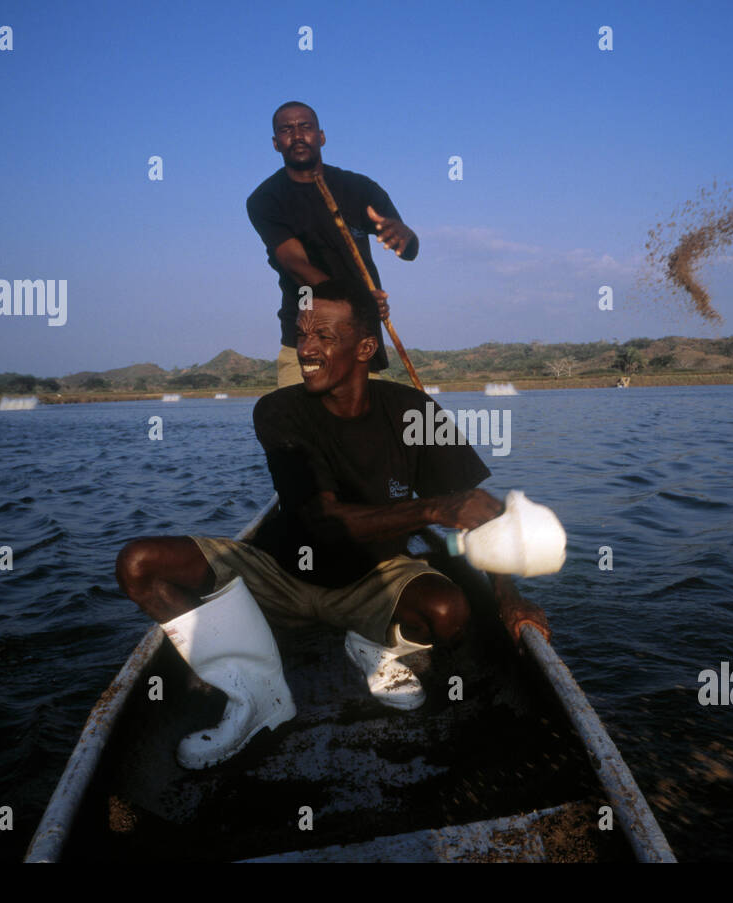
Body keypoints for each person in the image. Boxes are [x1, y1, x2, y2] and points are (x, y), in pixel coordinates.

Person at [114, 281, 549, 769]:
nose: (306, 348)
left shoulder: (416, 412)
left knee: (450, 613)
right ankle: (256, 691)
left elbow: (480, 521)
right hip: (277, 574)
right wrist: (431, 510)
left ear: (365, 348)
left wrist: (509, 599)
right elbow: (324, 521)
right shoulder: (279, 411)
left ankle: (373, 644)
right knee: (139, 564)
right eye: (302, 334)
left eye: (323, 335)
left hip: (374, 578)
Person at [247, 101, 419, 388]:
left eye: (306, 127)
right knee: (301, 430)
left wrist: (408, 236)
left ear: (321, 136)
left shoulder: (360, 188)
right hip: (305, 341)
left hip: (360, 343)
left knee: (364, 432)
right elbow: (296, 264)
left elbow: (409, 251)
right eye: (287, 130)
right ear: (276, 143)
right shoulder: (265, 199)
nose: (298, 135)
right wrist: (358, 300)